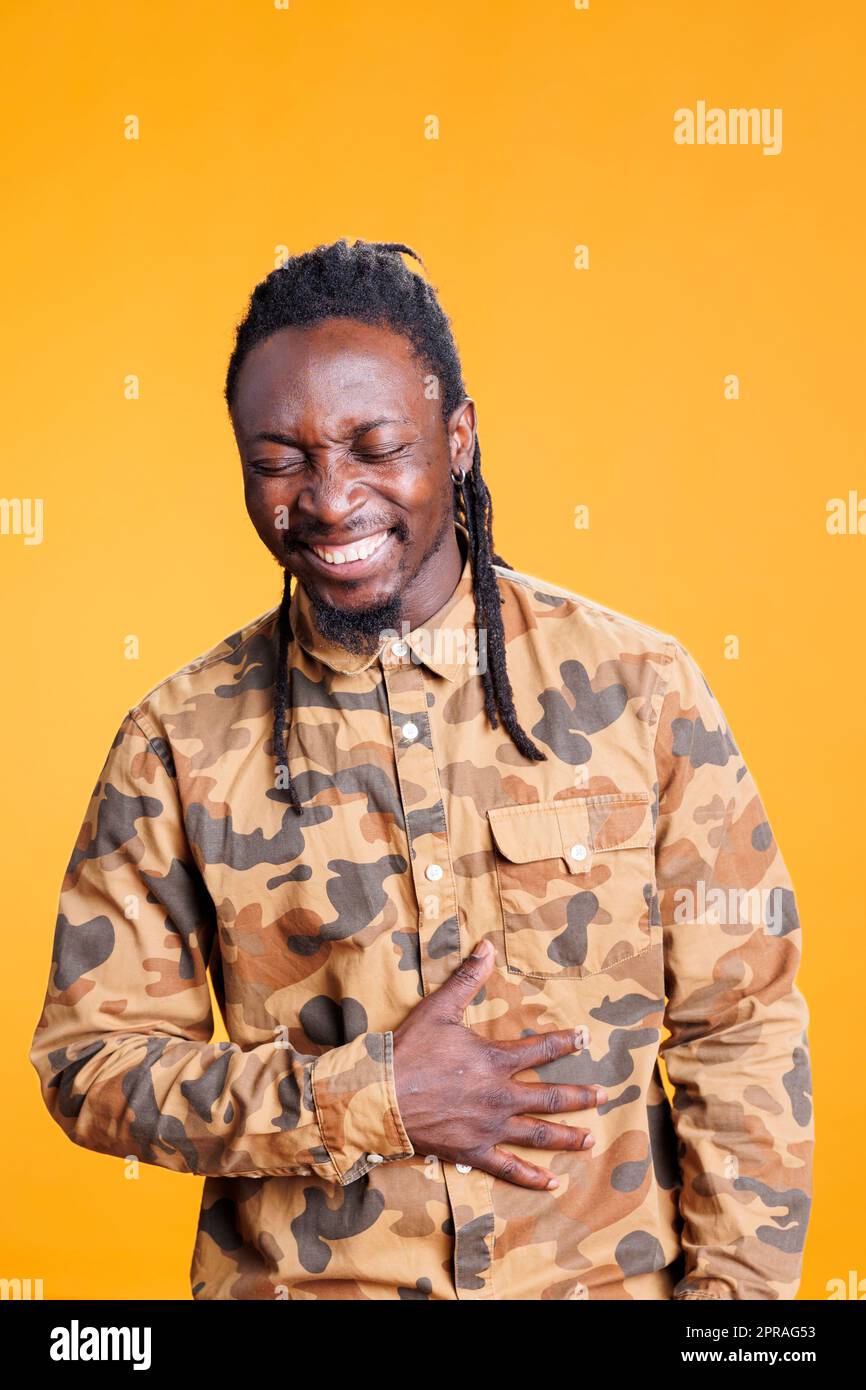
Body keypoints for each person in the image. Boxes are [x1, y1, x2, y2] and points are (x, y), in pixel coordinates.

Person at [29, 237, 814, 1300]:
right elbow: (90, 1064)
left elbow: (743, 1024)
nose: (327, 496)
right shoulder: (176, 740)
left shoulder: (640, 686)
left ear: (456, 437)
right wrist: (370, 1095)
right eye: (278, 459)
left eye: (373, 445)